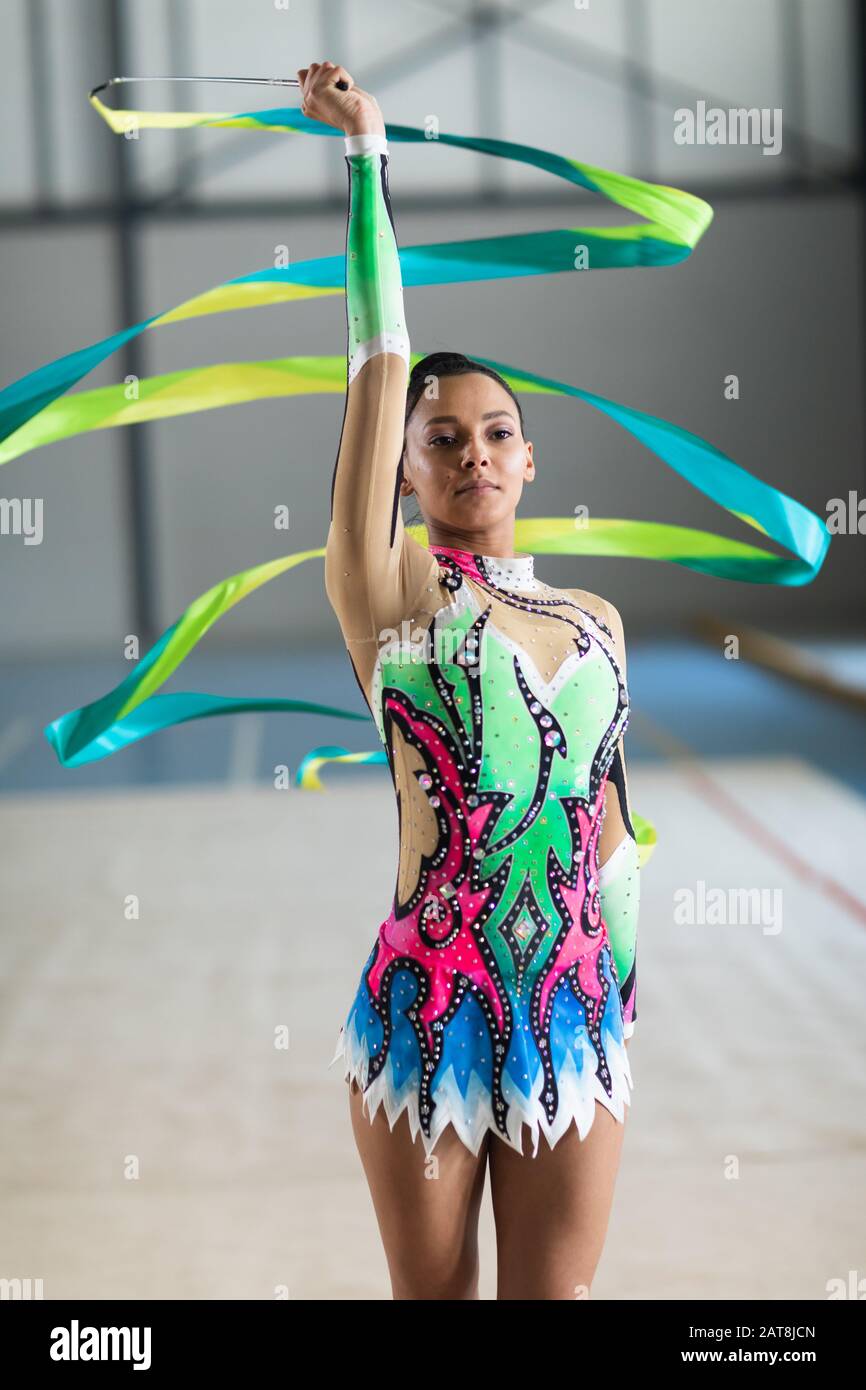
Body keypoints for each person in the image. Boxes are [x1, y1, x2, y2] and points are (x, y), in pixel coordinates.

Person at [299, 60, 640, 1300]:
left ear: (531, 458)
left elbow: (608, 828)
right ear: (399, 472)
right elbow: (378, 358)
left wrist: (624, 989)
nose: (472, 453)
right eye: (440, 438)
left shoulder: (592, 617)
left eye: (496, 433)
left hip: (571, 1001)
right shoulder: (387, 594)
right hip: (428, 1004)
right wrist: (365, 155)